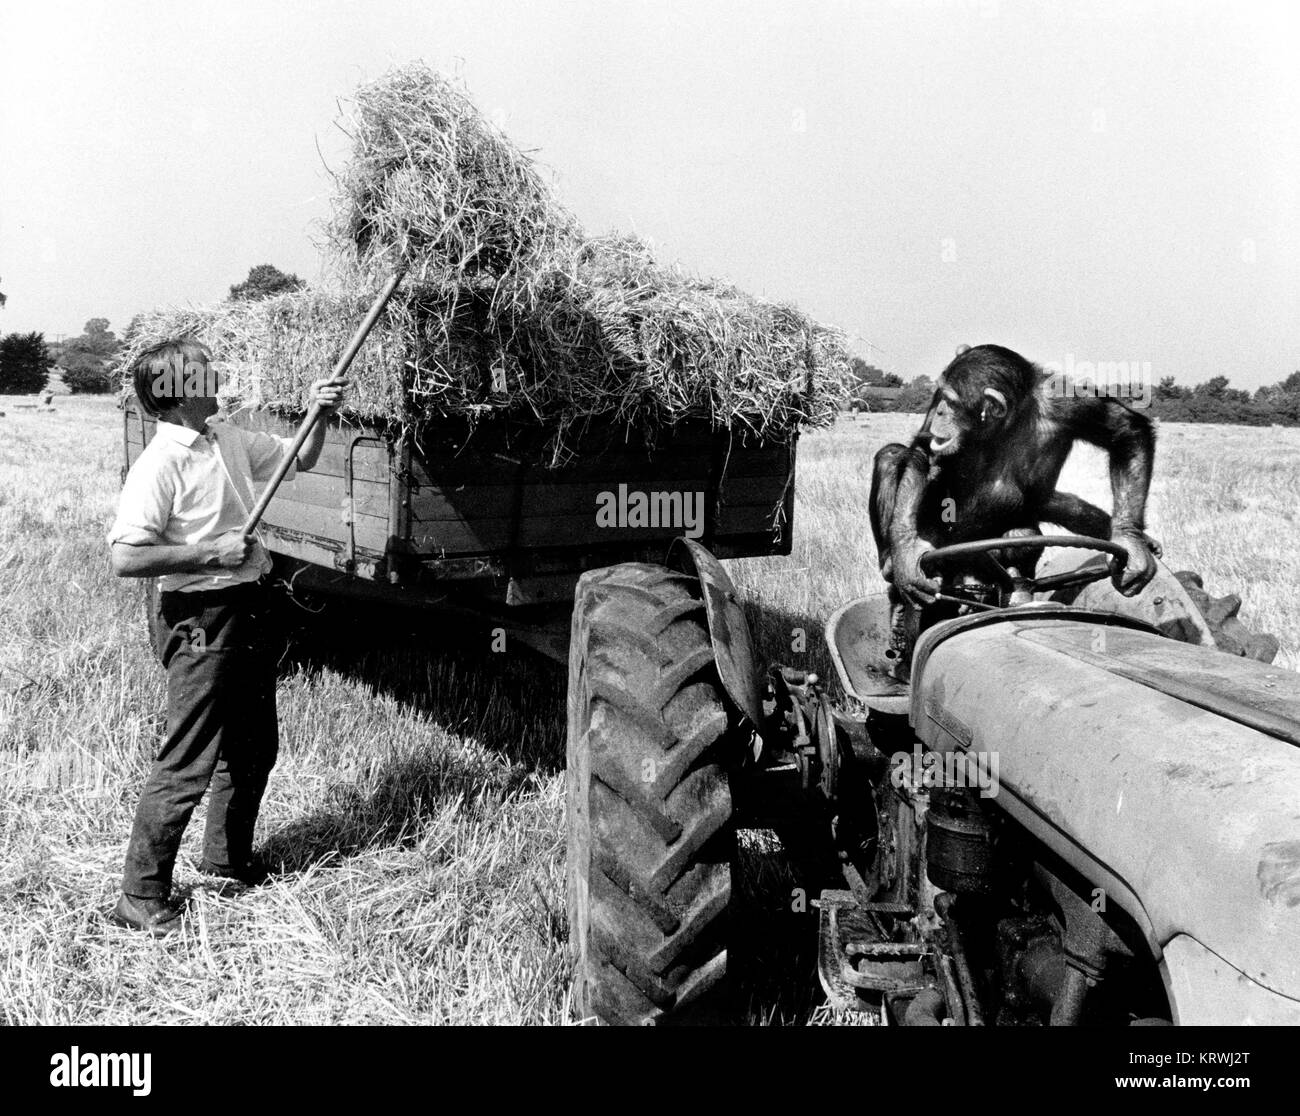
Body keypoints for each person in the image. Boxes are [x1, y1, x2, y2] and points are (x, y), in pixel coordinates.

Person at [107, 338, 346, 935]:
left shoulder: (228, 438)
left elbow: (301, 459)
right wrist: (210, 550)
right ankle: (140, 895)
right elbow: (124, 557)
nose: (217, 377)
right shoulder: (160, 463)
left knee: (253, 745)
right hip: (199, 615)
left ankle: (226, 861)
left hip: (249, 606)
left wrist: (321, 414)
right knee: (189, 757)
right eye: (203, 372)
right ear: (176, 393)